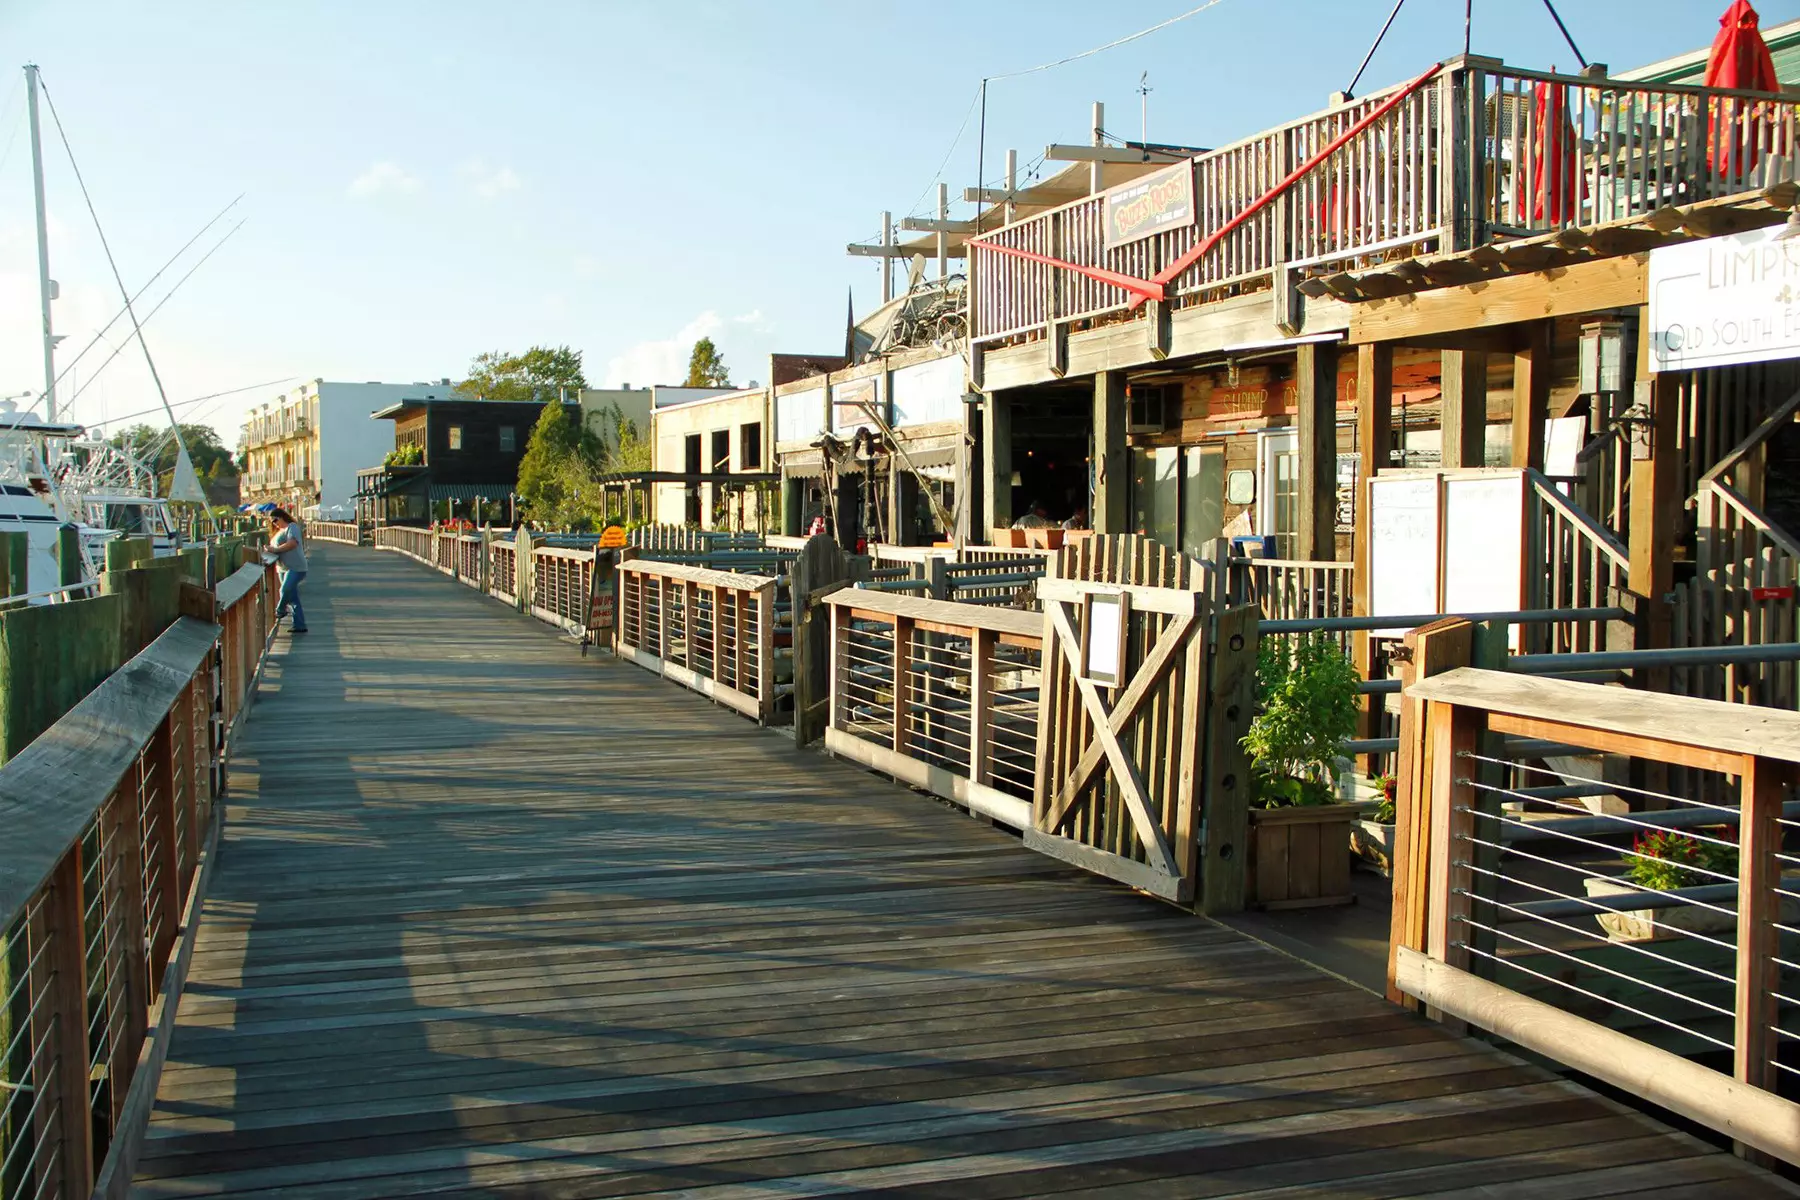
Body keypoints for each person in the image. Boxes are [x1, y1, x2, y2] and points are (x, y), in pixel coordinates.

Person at [264, 508, 309, 634]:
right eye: (272, 522)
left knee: (285, 590)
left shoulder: (292, 527)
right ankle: (299, 624)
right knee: (293, 597)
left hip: (295, 567)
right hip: (282, 568)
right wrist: (269, 549)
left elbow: (293, 543)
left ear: (281, 517)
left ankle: (280, 610)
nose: (274, 523)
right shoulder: (278, 532)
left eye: (275, 520)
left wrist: (275, 550)